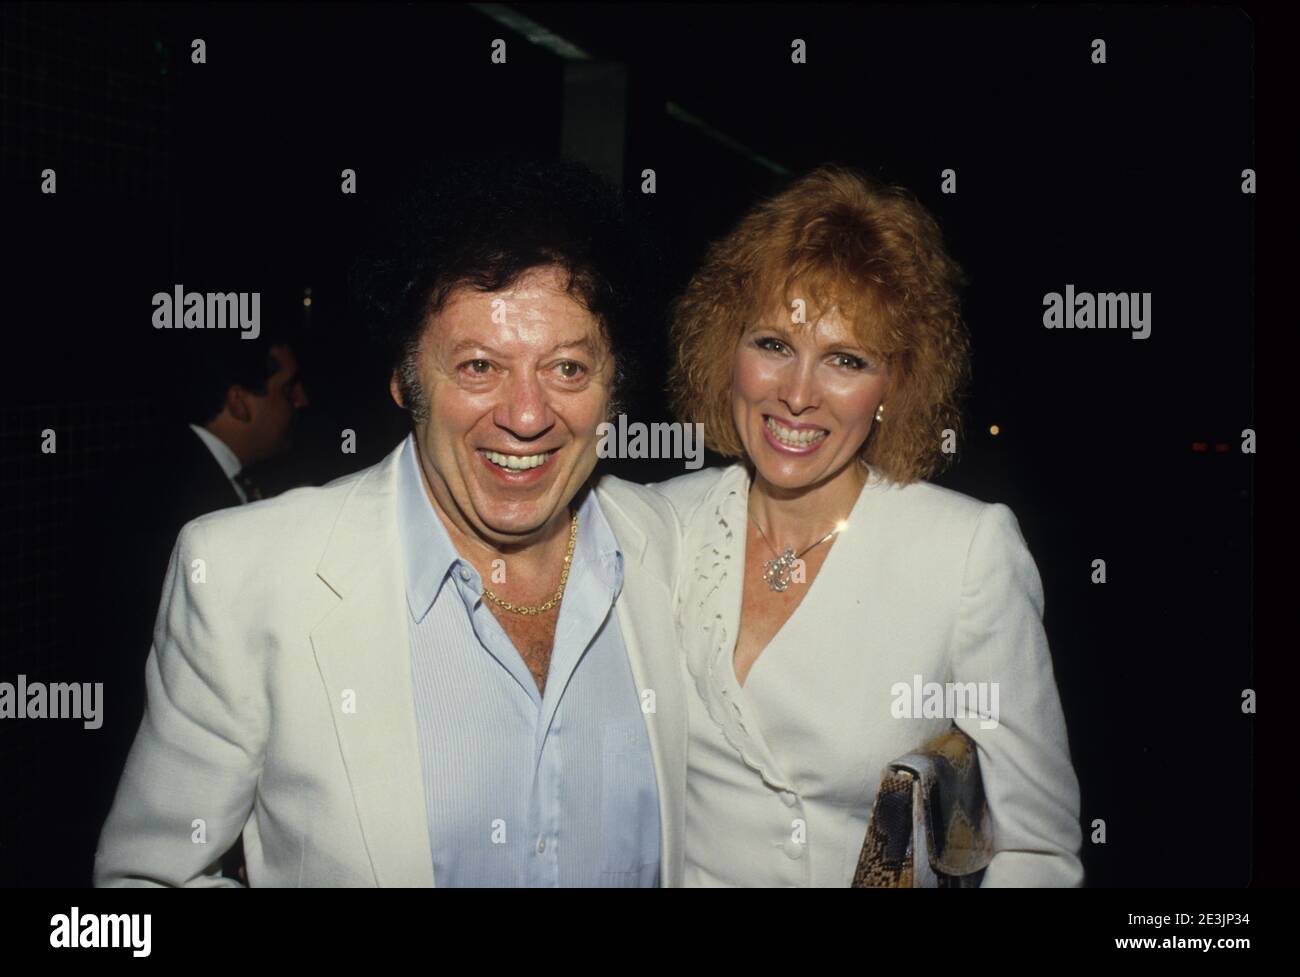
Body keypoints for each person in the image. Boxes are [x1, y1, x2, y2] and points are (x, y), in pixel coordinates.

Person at [93, 156, 686, 887]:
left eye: (567, 368)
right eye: (478, 366)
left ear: (612, 390)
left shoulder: (670, 547)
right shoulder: (249, 578)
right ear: (407, 383)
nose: (527, 415)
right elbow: (142, 881)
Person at [654, 164, 1083, 886]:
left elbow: (1035, 848)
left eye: (845, 360)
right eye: (772, 344)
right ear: (726, 349)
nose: (796, 394)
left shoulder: (964, 554)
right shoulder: (661, 523)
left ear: (896, 385)